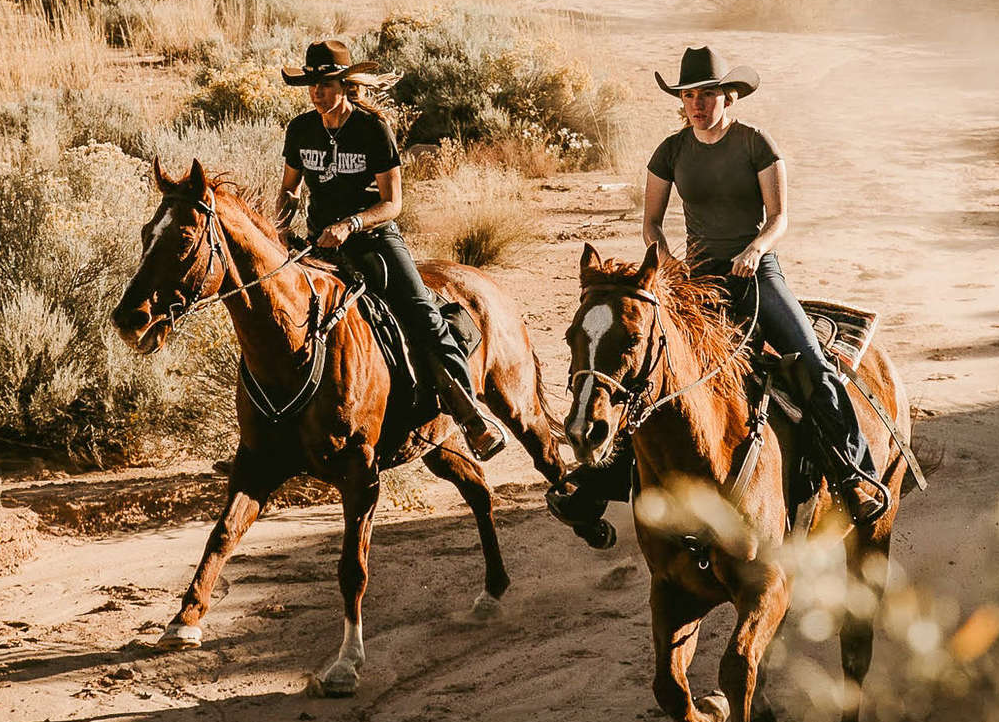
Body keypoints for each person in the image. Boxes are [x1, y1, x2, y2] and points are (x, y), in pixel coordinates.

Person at [550, 45, 887, 531]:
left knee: (812, 364)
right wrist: (665, 259)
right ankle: (595, 487)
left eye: (707, 94)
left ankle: (857, 476)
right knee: (647, 369)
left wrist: (754, 250)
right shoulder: (671, 151)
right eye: (689, 95)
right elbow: (651, 223)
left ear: (729, 97)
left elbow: (779, 218)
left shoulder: (755, 143)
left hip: (757, 275)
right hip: (698, 281)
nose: (697, 104)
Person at [277, 40, 509, 462]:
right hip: (318, 243)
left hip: (374, 241)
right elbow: (290, 189)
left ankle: (469, 416)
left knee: (423, 313)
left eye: (325, 84)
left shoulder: (371, 129)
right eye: (311, 84)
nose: (317, 92)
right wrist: (279, 226)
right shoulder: (300, 129)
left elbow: (392, 203)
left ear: (345, 85)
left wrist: (351, 224)